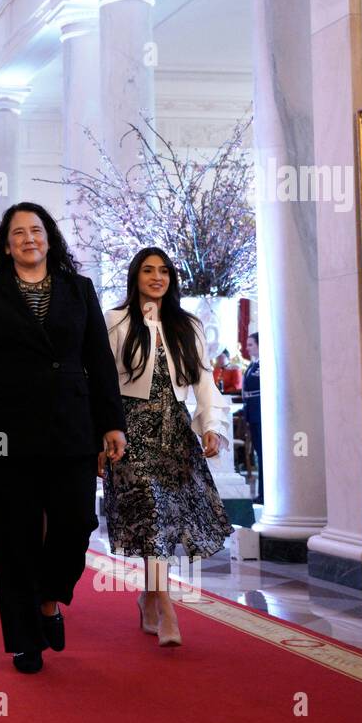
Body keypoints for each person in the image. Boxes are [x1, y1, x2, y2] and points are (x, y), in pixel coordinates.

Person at [0, 203, 126, 674]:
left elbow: (100, 362)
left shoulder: (79, 290)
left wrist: (111, 423)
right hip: (3, 431)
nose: (29, 238)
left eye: (37, 230)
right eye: (18, 233)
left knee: (76, 524)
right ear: (5, 246)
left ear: (49, 238)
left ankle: (49, 599)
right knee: (11, 536)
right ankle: (25, 639)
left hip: (71, 424)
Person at [102, 247, 232, 647]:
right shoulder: (115, 321)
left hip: (173, 431)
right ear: (135, 276)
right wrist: (99, 435)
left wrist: (211, 426)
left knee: (163, 518)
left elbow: (204, 381)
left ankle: (150, 596)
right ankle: (169, 607)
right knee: (151, 511)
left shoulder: (186, 325)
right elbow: (100, 383)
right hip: (128, 431)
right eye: (148, 270)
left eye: (163, 271)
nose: (156, 277)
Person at [242, 331, 263, 505]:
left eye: (250, 344)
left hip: (259, 413)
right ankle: (261, 492)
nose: (247, 348)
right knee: (258, 453)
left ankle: (264, 492)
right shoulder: (253, 365)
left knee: (262, 454)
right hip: (252, 413)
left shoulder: (262, 365)